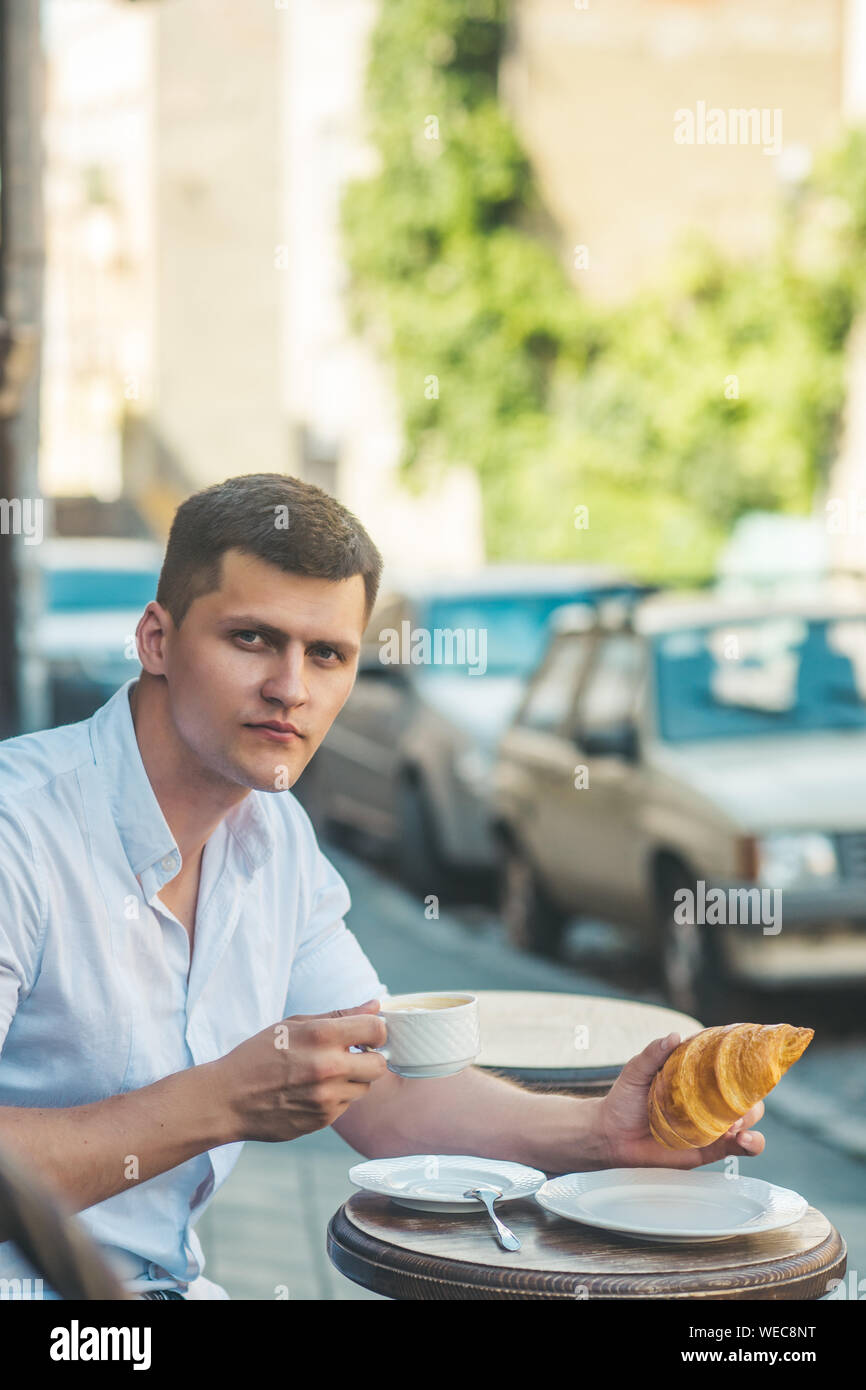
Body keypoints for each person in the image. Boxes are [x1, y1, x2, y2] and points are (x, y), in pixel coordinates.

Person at [0, 473, 764, 1299]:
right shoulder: (21, 830)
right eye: (252, 638)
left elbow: (387, 1089)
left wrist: (601, 1134)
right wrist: (217, 1103)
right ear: (156, 639)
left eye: (326, 653)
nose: (291, 687)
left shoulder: (275, 836)